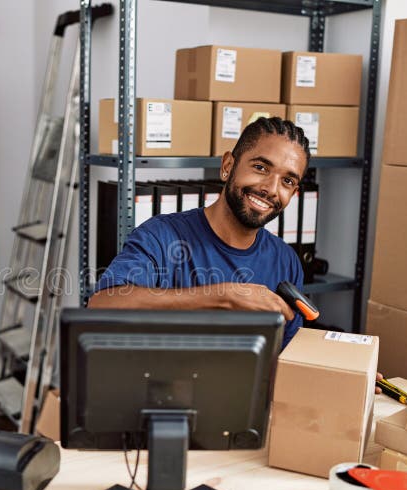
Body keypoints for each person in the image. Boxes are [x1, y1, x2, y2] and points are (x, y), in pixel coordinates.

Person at [88, 117, 309, 347]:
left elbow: (288, 358)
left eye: (287, 181)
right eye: (260, 168)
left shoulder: (286, 261)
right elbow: (100, 306)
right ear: (227, 166)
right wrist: (224, 297)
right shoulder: (161, 236)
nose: (271, 189)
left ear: (293, 194)